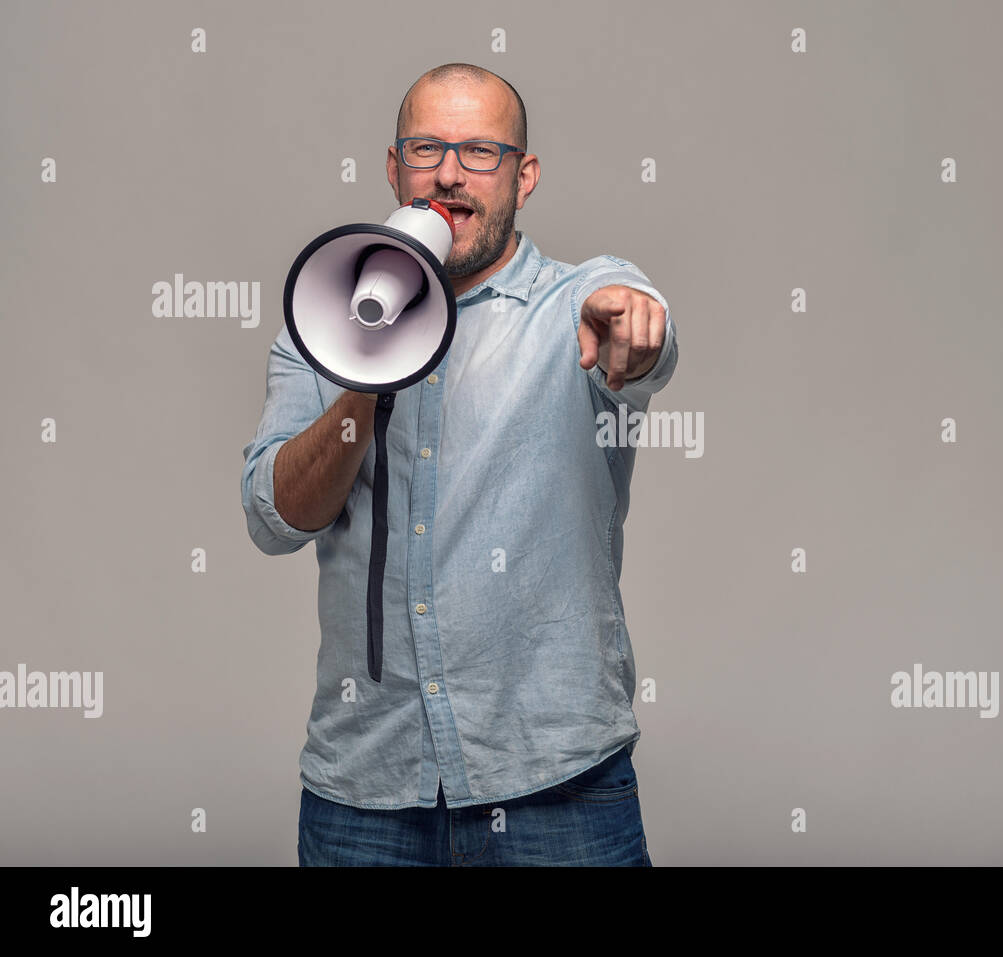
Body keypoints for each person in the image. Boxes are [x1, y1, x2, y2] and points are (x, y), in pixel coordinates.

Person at [240, 63, 678, 866]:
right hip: (367, 793)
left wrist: (636, 330)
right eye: (426, 148)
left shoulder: (576, 303)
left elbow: (640, 339)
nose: (448, 172)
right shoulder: (322, 328)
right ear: (393, 170)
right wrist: (365, 377)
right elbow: (275, 518)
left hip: (556, 785)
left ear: (525, 175)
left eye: (481, 151)